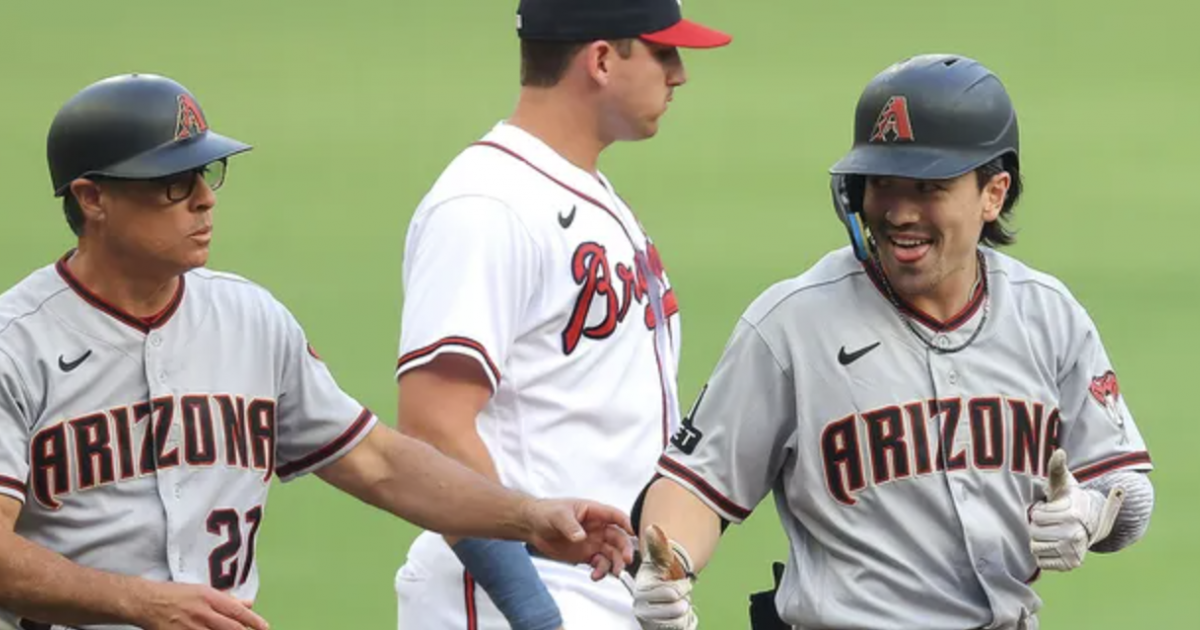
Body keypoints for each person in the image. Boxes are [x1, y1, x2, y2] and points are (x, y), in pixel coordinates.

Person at [0, 73, 632, 630]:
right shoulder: (16, 344)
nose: (205, 198)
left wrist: (528, 515)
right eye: (172, 182)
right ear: (92, 198)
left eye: (207, 172)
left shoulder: (250, 319)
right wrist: (141, 604)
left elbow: (378, 462)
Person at [627, 54, 1155, 630]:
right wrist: (669, 566)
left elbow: (1123, 479)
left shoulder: (1048, 315)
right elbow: (697, 483)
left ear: (993, 193)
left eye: (929, 187)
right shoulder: (793, 324)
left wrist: (1092, 513)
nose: (900, 212)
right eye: (882, 184)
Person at [392, 0, 730, 627]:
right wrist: (531, 610)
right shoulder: (487, 205)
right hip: (514, 598)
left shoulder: (580, 192)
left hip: (595, 593)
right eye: (662, 52)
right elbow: (431, 428)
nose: (679, 73)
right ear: (601, 59)